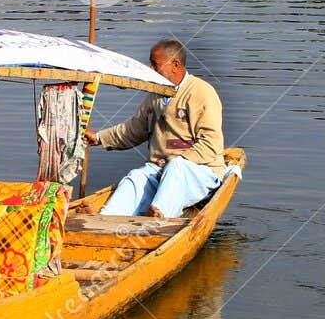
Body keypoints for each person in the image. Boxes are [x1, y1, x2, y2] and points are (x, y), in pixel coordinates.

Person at [85, 39, 226, 219]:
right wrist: (98, 137)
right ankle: (106, 217)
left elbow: (211, 144)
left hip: (200, 171)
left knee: (177, 167)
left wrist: (173, 164)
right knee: (136, 177)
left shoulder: (201, 92)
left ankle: (159, 215)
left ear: (175, 65)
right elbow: (134, 129)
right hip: (160, 168)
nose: (150, 69)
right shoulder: (156, 94)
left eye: (155, 64)